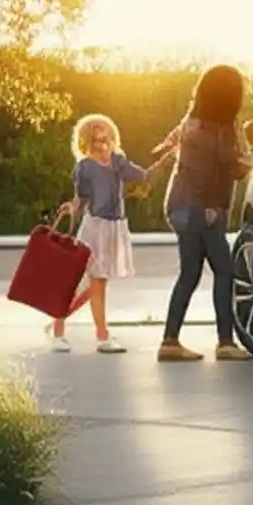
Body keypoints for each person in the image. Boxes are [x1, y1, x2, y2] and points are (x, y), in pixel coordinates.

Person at [153, 65, 253, 362]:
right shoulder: (217, 130)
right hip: (200, 208)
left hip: (181, 206)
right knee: (224, 271)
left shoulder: (193, 122)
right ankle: (226, 343)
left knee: (190, 273)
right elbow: (224, 168)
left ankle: (170, 342)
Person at [48, 114, 172, 353]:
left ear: (110, 134)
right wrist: (72, 209)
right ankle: (68, 333)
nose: (99, 131)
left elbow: (142, 176)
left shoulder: (118, 162)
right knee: (79, 281)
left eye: (103, 127)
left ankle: (90, 333)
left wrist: (166, 159)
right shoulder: (84, 167)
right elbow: (81, 200)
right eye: (94, 129)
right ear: (86, 136)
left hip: (114, 227)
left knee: (98, 283)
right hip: (94, 227)